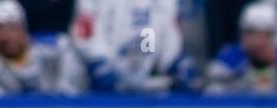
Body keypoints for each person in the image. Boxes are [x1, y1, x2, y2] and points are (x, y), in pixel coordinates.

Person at [70, 0, 198, 93]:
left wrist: (176, 63)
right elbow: (85, 37)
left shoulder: (165, 3)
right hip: (90, 91)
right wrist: (99, 61)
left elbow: (170, 45)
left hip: (142, 89)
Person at [0, 0, 88, 95]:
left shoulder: (56, 53)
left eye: (11, 28)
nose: (4, 36)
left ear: (23, 30)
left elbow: (75, 92)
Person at [204, 2, 277, 94]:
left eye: (266, 35)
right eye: (252, 33)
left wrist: (275, 65)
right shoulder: (229, 58)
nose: (258, 42)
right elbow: (212, 86)